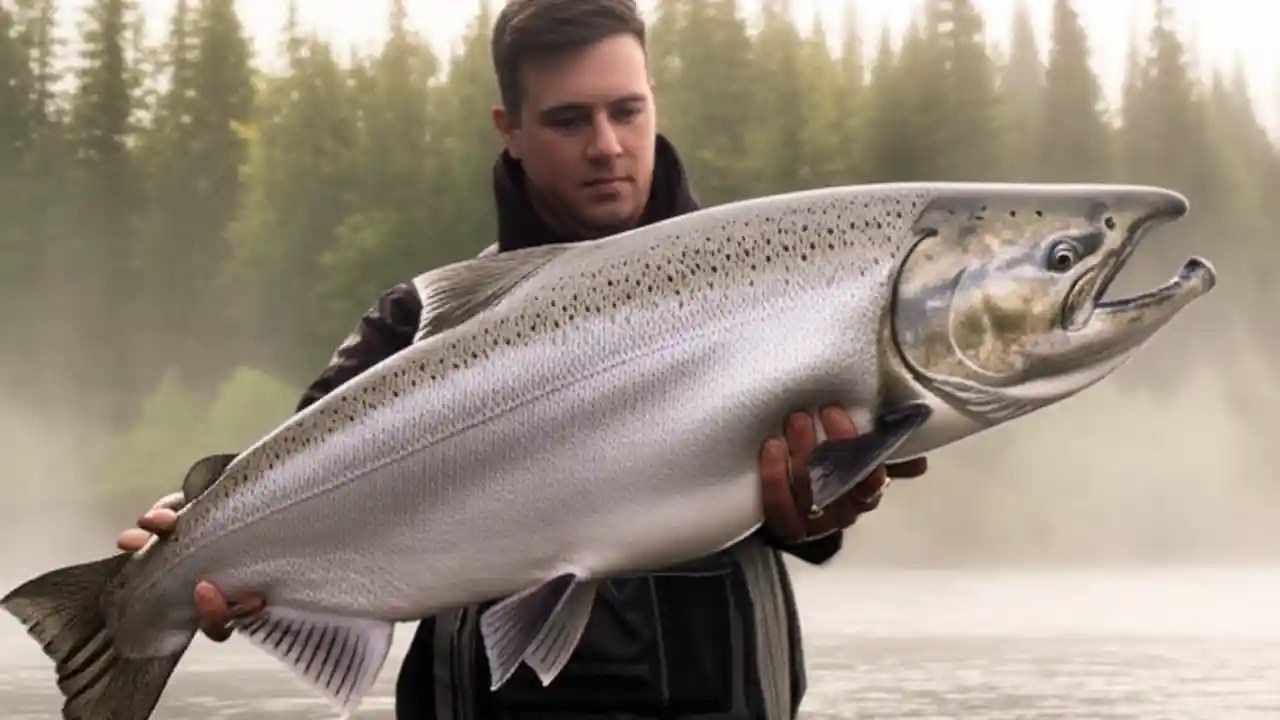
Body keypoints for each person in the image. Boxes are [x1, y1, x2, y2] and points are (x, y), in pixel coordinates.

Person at [116, 0, 929, 717]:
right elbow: (297, 478)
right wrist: (204, 532)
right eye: (570, 120)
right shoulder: (419, 323)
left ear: (655, 105)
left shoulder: (781, 293)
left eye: (627, 110)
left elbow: (814, 526)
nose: (607, 145)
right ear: (509, 128)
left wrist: (827, 509)